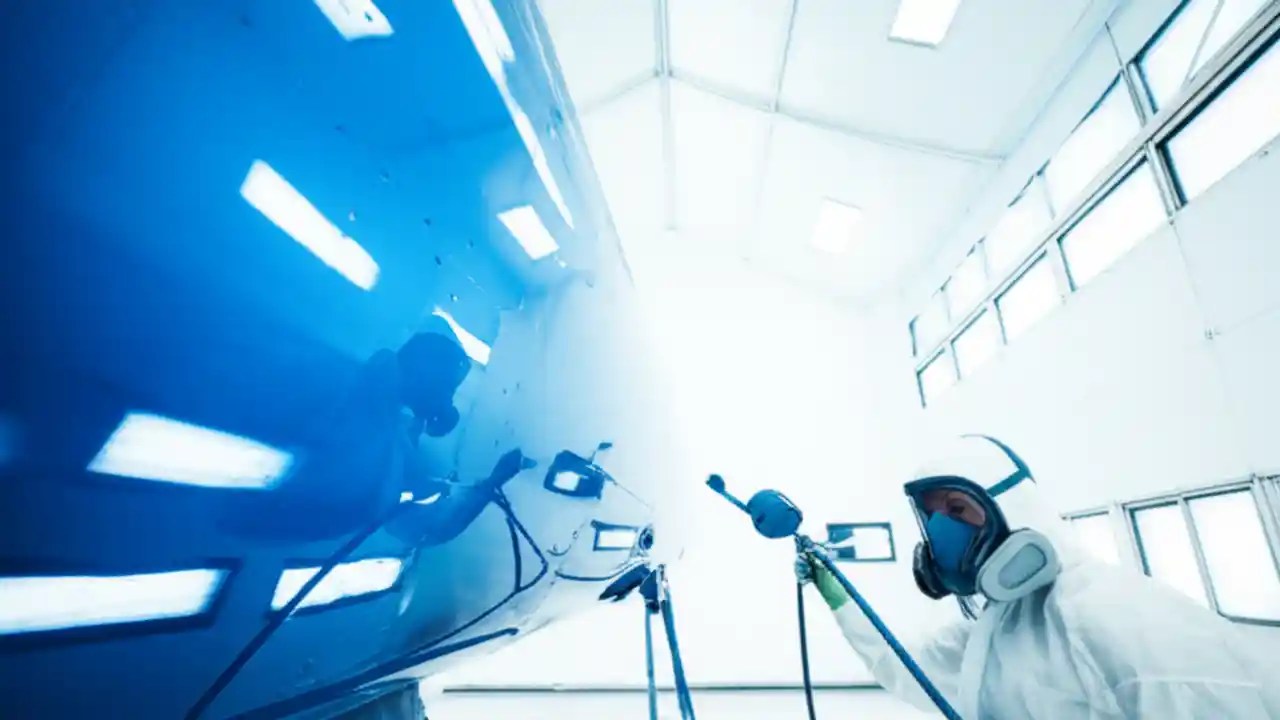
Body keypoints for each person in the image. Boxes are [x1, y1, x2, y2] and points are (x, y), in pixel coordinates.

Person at [798, 435, 1280, 718]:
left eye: (958, 509)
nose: (943, 531)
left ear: (1010, 509)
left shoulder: (1116, 612)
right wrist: (838, 596)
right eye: (934, 517)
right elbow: (908, 666)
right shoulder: (1000, 623)